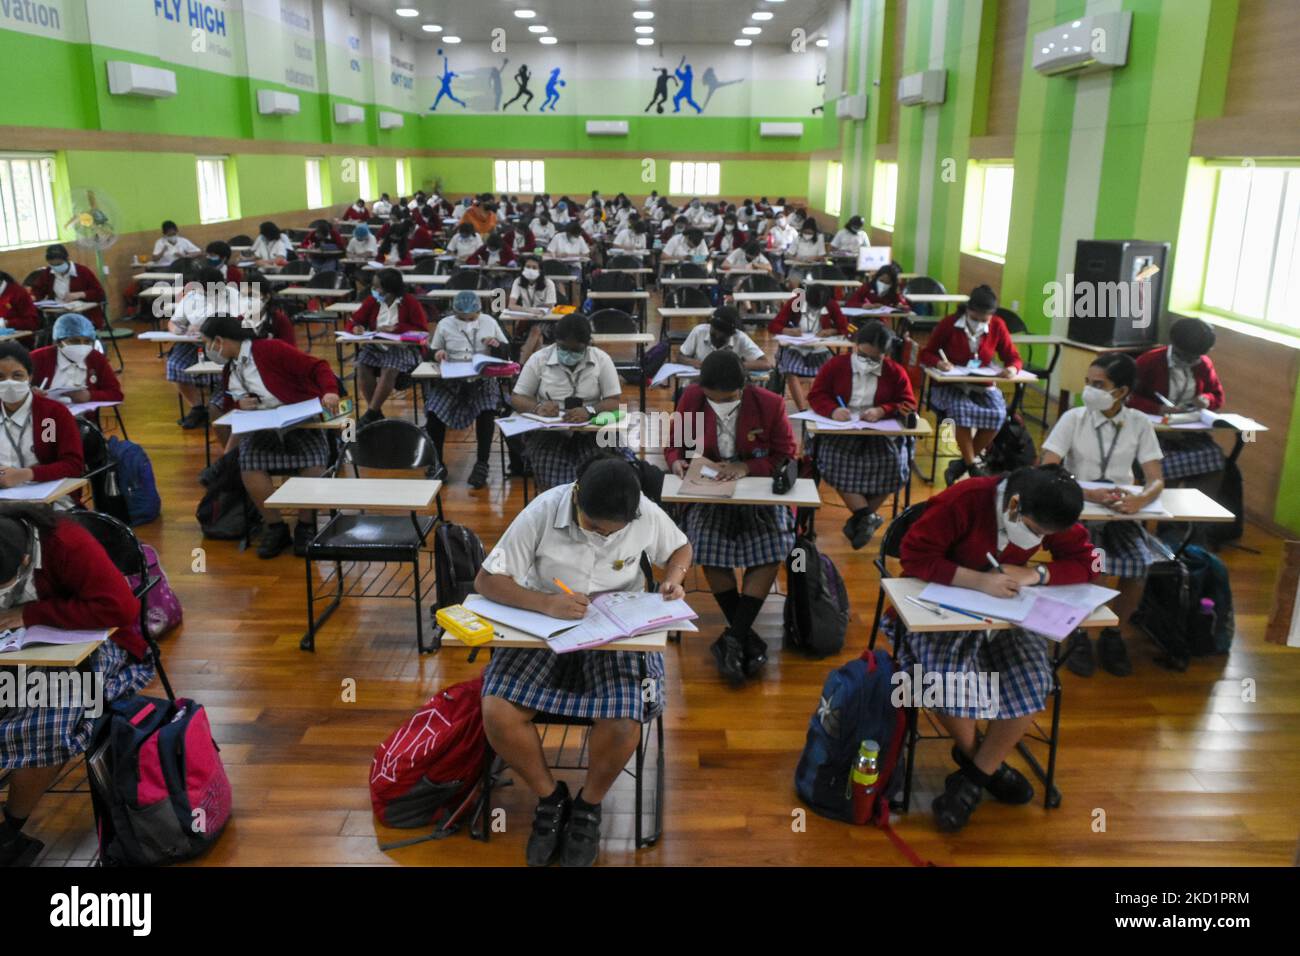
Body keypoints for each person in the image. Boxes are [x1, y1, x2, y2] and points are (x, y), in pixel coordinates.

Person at [476, 454, 691, 866]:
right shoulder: (542, 511)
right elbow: (487, 580)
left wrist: (673, 579)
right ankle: (550, 799)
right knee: (498, 708)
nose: (603, 536)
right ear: (576, 499)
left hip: (617, 627)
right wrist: (545, 603)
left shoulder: (644, 511)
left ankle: (589, 806)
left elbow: (680, 548)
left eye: (615, 531)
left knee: (625, 717)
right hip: (545, 624)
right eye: (593, 527)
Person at [888, 465, 1097, 832]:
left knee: (1034, 679)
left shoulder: (1048, 508)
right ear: (1014, 504)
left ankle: (973, 777)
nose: (1040, 539)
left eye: (1048, 536)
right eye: (1035, 531)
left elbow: (1090, 562)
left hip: (1005, 611)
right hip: (937, 604)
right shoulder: (966, 500)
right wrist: (978, 581)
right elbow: (914, 557)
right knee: (950, 679)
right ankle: (986, 765)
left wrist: (1038, 574)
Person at [0, 503, 154, 867]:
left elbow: (121, 610)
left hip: (101, 644)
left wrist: (29, 615)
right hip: (19, 652)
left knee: (50, 725)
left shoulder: (67, 543)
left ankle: (10, 830)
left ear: (25, 562)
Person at [663, 351, 796, 682]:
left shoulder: (769, 404)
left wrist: (746, 466)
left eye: (727, 399)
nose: (718, 404)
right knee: (705, 544)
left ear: (743, 388)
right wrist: (676, 462)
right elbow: (674, 445)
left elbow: (785, 455)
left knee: (772, 547)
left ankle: (734, 638)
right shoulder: (692, 397)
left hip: (757, 493)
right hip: (709, 491)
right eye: (712, 398)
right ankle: (742, 636)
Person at [1041, 352, 1164, 678]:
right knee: (1095, 562)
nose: (1089, 390)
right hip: (1078, 512)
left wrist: (1140, 500)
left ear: (1121, 391)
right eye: (1087, 383)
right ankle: (1080, 634)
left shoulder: (1138, 423)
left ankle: (1113, 633)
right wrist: (1087, 492)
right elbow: (1048, 468)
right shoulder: (1074, 418)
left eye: (1099, 385)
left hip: (1120, 513)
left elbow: (1156, 479)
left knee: (1139, 565)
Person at [201, 315, 341, 558]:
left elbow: (318, 366)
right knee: (250, 466)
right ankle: (275, 526)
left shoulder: (270, 349)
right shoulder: (230, 368)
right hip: (263, 427)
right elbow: (228, 403)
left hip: (300, 422)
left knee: (313, 463)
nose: (208, 350)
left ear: (220, 341)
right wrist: (238, 404)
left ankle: (306, 525)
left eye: (208, 343)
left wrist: (329, 392)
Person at [808, 321, 917, 549]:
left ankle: (862, 518)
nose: (867, 361)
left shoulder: (895, 372)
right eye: (863, 354)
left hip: (879, 433)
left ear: (885, 355)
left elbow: (908, 402)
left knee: (896, 466)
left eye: (875, 358)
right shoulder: (836, 365)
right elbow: (817, 395)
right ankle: (866, 517)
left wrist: (882, 410)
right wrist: (833, 409)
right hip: (842, 432)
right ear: (855, 345)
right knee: (834, 462)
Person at [918, 285, 1022, 483]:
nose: (980, 323)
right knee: (960, 410)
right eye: (976, 319)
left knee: (999, 413)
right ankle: (972, 466)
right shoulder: (949, 324)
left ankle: (962, 463)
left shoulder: (997, 326)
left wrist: (1012, 369)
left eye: (985, 320)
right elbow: (926, 353)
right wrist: (939, 362)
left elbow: (1013, 356)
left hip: (981, 384)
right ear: (968, 310)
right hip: (950, 384)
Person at [510, 313, 623, 491]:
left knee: (595, 480)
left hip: (592, 434)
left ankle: (587, 510)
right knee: (555, 484)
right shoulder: (539, 359)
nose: (569, 354)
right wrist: (537, 407)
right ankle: (559, 512)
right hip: (549, 435)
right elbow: (517, 397)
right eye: (563, 348)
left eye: (576, 350)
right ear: (555, 342)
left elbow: (614, 401)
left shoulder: (601, 359)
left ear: (588, 344)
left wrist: (590, 410)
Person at [1126, 317, 1226, 495]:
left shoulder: (1203, 364)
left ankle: (1195, 518)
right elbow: (1126, 396)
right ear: (1175, 346)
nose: (1190, 361)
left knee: (1216, 460)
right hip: (1153, 434)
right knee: (1165, 466)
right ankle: (1163, 515)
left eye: (1195, 357)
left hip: (1188, 433)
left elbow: (1218, 396)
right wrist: (1159, 409)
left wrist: (1207, 400)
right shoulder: (1150, 361)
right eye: (1186, 355)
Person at [426, 290, 508, 489]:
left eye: (471, 317)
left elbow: (506, 352)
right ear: (454, 313)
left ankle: (482, 463)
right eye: (462, 317)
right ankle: (437, 461)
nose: (467, 320)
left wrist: (495, 346)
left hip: (482, 378)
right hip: (451, 380)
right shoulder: (445, 324)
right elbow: (431, 351)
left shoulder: (489, 321)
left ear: (479, 311)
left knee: (487, 412)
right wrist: (438, 354)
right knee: (433, 411)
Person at [0, 341, 85, 509]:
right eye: (0, 377)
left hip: (48, 501)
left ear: (30, 377)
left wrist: (25, 474)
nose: (8, 382)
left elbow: (72, 465)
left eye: (17, 375)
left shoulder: (50, 416)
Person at [348, 268, 429, 427]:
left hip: (404, 348)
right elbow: (354, 320)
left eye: (377, 287)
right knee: (362, 364)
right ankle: (376, 412)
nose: (374, 290)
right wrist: (355, 328)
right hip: (377, 346)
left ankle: (371, 413)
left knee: (390, 367)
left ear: (389, 288)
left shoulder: (410, 302)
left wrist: (397, 328)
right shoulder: (372, 301)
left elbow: (422, 330)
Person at [767, 284, 848, 410]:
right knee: (790, 370)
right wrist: (787, 330)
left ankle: (819, 405)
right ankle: (802, 409)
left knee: (831, 371)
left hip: (819, 348)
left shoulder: (831, 304)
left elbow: (843, 327)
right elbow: (773, 325)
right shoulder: (796, 302)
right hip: (795, 347)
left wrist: (831, 331)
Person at [30, 313, 123, 406]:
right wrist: (30, 394)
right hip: (45, 416)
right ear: (58, 342)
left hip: (83, 418)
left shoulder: (96, 358)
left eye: (87, 341)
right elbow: (18, 391)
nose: (81, 346)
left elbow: (116, 395)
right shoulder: (37, 358)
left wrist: (90, 396)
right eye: (74, 341)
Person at [26, 245, 106, 329]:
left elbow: (100, 294)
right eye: (52, 264)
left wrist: (80, 294)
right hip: (57, 314)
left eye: (59, 264)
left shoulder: (83, 271)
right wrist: (33, 296)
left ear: (67, 259)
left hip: (83, 315)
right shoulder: (48, 273)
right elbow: (38, 290)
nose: (56, 267)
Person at [678, 306, 769, 371]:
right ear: (710, 326)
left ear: (731, 333)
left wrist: (734, 366)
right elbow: (680, 357)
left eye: (722, 336)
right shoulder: (699, 331)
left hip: (728, 387)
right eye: (713, 334)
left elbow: (766, 363)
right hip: (698, 383)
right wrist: (694, 362)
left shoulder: (740, 337)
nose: (717, 336)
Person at [509, 256, 560, 367]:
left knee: (536, 330)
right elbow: (511, 305)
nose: (530, 270)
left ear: (540, 270)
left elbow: (550, 305)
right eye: (528, 267)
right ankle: (536, 370)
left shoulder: (549, 283)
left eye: (534, 267)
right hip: (527, 319)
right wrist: (529, 310)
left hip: (546, 321)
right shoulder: (518, 282)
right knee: (538, 339)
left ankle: (521, 366)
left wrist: (540, 310)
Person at [785, 219, 827, 288]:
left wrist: (814, 258)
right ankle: (798, 296)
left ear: (814, 232)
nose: (807, 235)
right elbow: (789, 254)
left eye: (810, 233)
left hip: (813, 268)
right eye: (805, 232)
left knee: (813, 285)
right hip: (798, 266)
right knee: (793, 283)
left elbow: (822, 255)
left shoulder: (819, 238)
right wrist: (798, 259)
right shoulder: (798, 238)